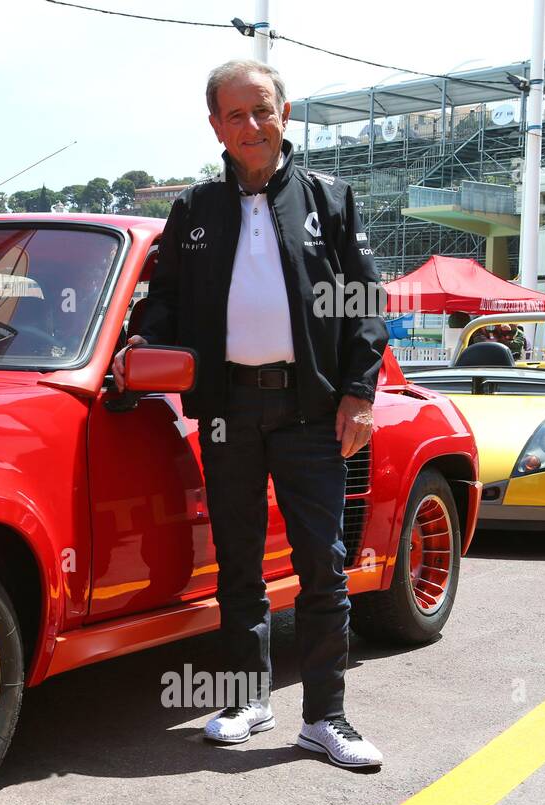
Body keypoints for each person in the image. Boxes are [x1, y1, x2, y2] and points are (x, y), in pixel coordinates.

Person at [111, 59, 388, 769]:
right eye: (235, 115)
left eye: (261, 110)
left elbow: (362, 301)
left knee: (322, 565)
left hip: (310, 410)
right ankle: (245, 699)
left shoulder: (330, 198)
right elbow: (165, 294)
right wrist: (145, 336)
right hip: (228, 407)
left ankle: (326, 718)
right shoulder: (196, 209)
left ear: (285, 113)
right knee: (238, 564)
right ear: (216, 127)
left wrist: (360, 392)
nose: (251, 126)